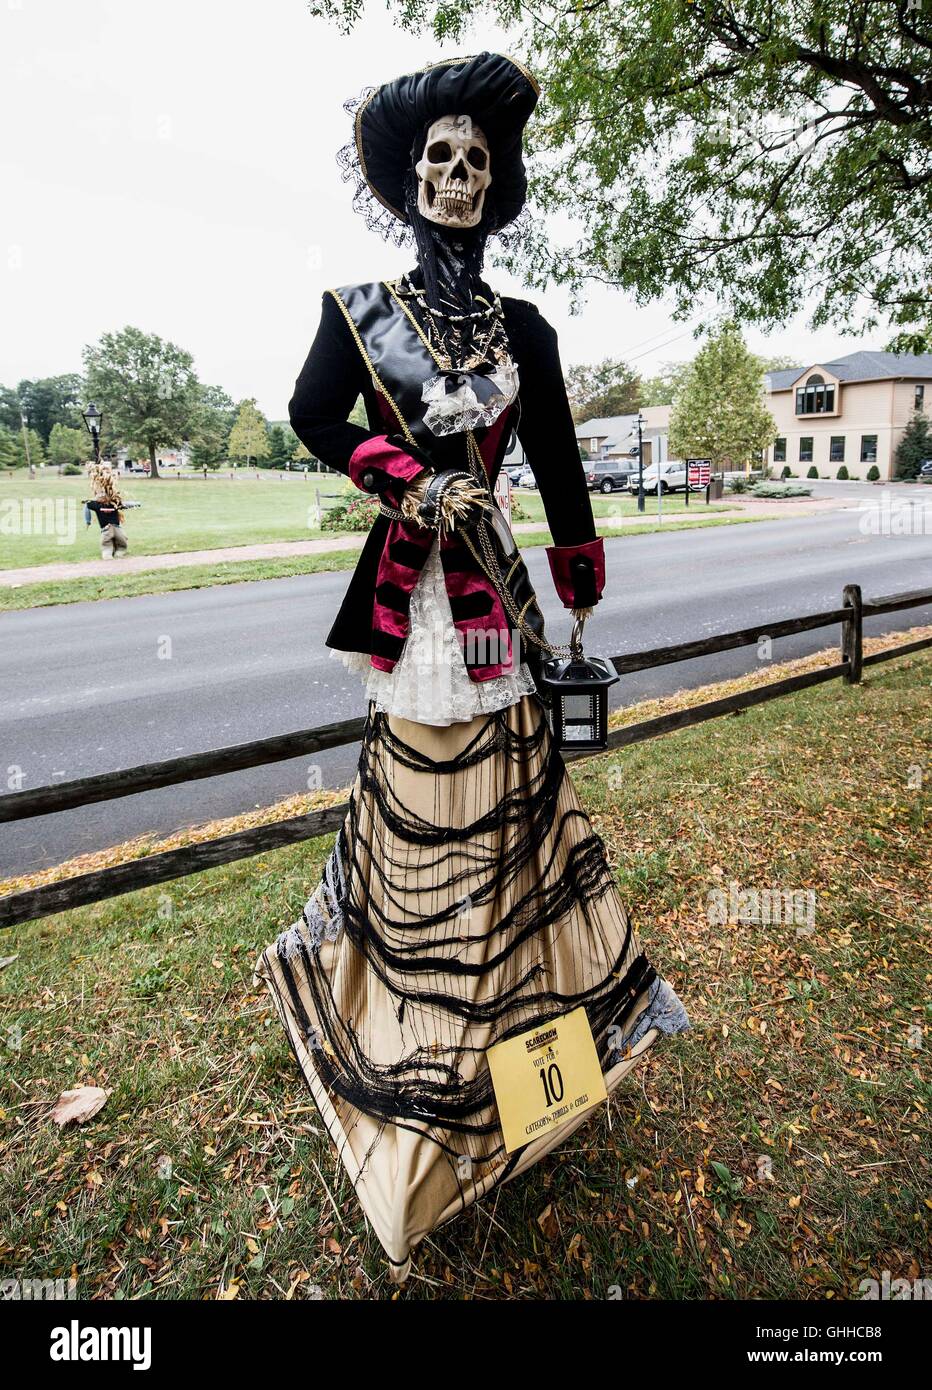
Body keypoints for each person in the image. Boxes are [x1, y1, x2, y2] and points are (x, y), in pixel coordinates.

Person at [254, 53, 688, 1283]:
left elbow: (554, 458)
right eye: (437, 159)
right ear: (408, 181)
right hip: (416, 600)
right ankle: (414, 1029)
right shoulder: (357, 308)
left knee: (498, 786)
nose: (455, 178)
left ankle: (518, 1040)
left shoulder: (526, 331)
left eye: (475, 163)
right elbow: (310, 415)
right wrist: (405, 477)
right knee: (422, 782)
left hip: (491, 605)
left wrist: (577, 573)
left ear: (495, 190)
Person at [83, 465, 139, 558]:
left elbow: (125, 504)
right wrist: (88, 520)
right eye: (100, 494)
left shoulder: (114, 503)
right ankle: (108, 553)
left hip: (117, 528)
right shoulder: (96, 504)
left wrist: (136, 503)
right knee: (106, 544)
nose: (102, 496)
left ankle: (119, 551)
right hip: (106, 530)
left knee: (122, 541)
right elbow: (87, 506)